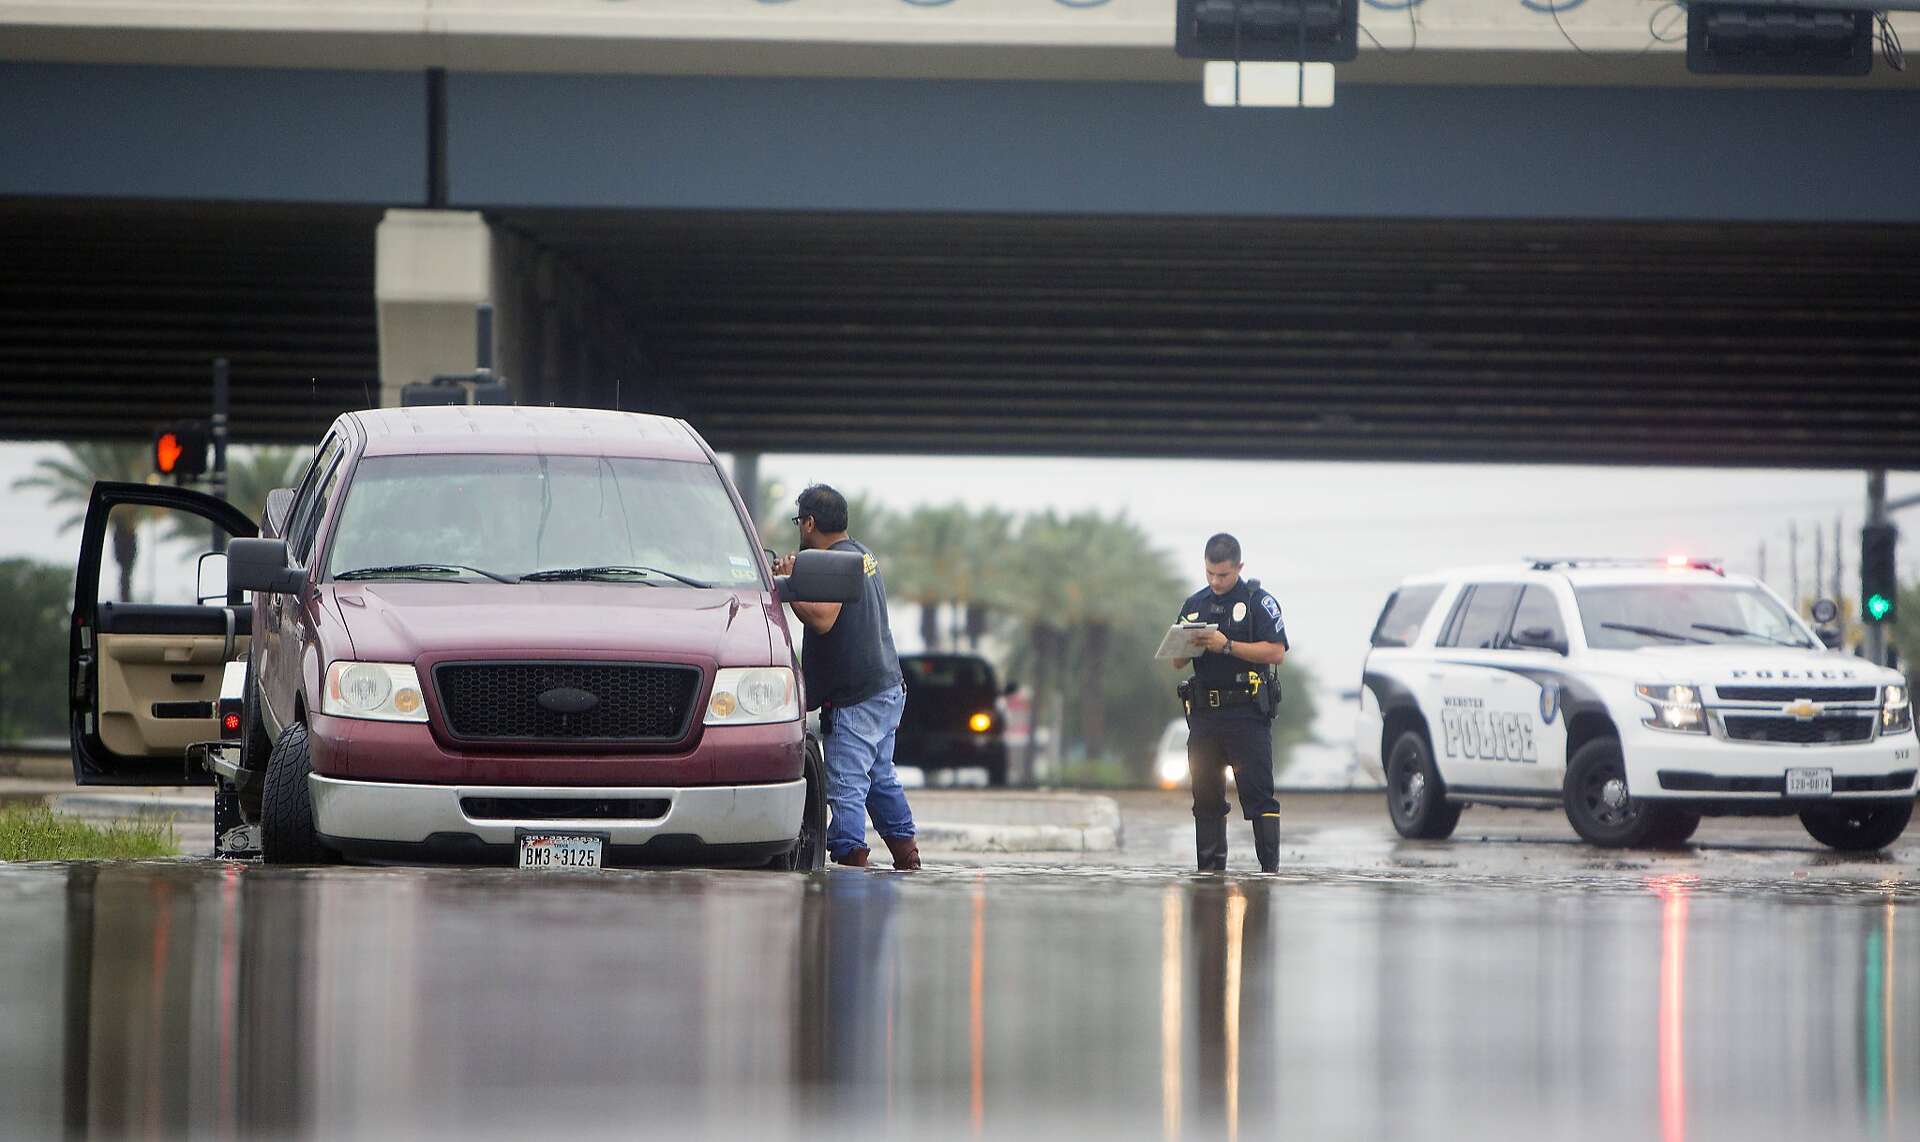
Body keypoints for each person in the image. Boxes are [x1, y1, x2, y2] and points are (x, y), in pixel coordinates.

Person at [775, 485, 920, 870]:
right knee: (880, 778)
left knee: (846, 785)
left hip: (856, 697)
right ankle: (908, 857)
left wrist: (791, 584)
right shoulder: (861, 554)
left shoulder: (834, 562)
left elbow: (823, 619)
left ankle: (851, 866)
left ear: (809, 523)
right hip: (886, 686)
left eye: (798, 521)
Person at [1170, 533, 1290, 872]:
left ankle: (1268, 872)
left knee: (1259, 796)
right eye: (1210, 573)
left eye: (1223, 574)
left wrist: (1227, 645)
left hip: (1246, 714)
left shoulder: (1257, 602)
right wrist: (1187, 643)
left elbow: (1276, 652)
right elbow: (1177, 661)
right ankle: (1209, 875)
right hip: (1205, 716)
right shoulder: (1195, 605)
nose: (1216, 581)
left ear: (1239, 567)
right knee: (1206, 799)